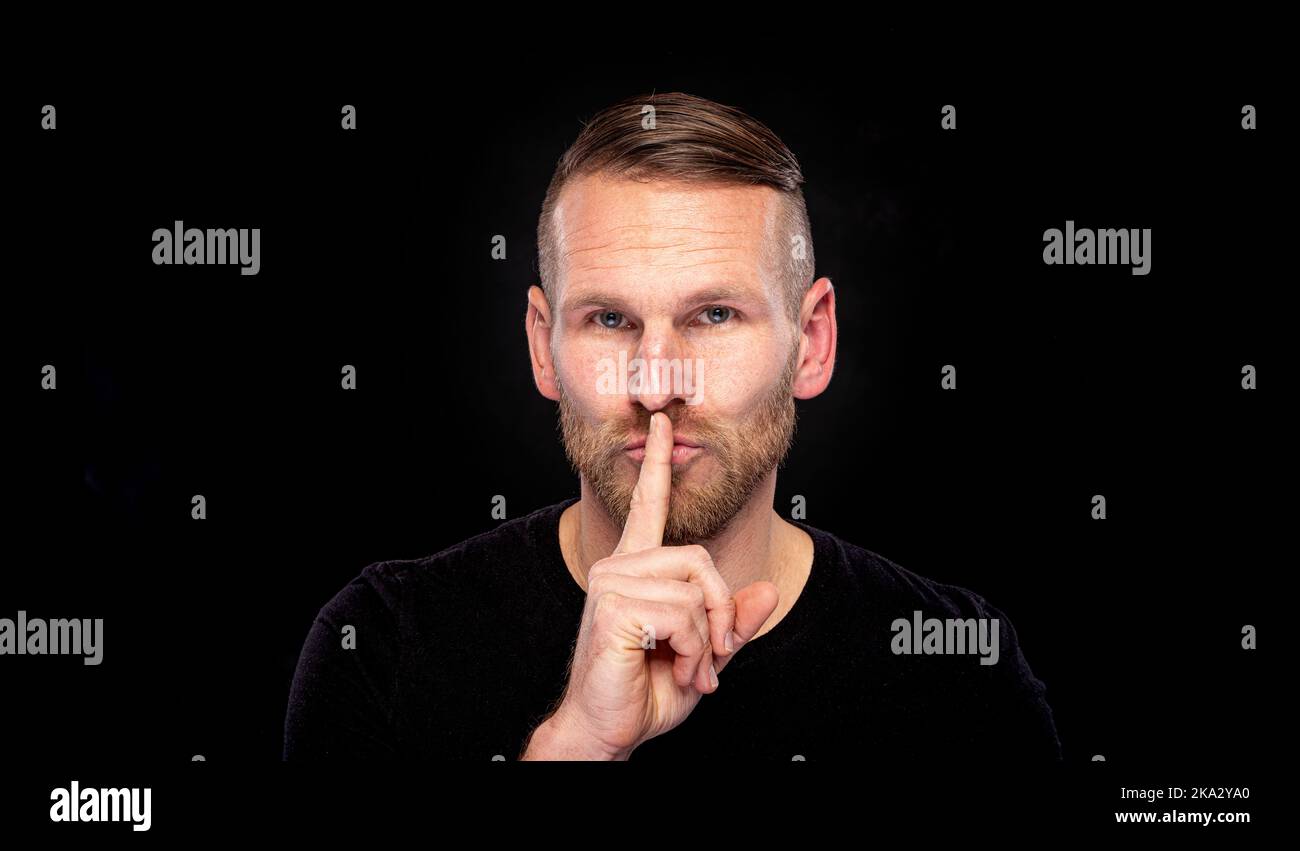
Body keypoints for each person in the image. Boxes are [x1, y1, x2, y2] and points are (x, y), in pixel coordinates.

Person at [284, 92, 1062, 761]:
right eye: (611, 319)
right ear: (541, 348)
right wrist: (579, 740)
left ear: (813, 342)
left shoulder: (961, 668)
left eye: (715, 315)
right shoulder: (383, 644)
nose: (658, 384)